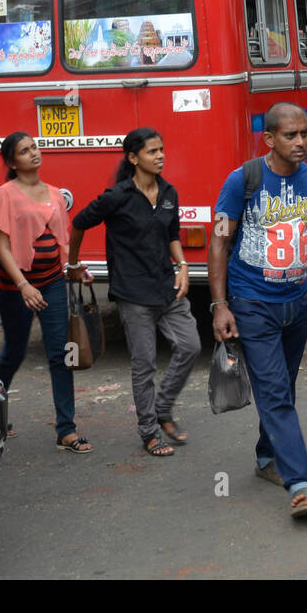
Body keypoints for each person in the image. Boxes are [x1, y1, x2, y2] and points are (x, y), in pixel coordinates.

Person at [209, 102, 307, 518]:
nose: (301, 142)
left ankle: (264, 456)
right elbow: (219, 241)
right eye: (290, 135)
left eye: (305, 133)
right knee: (273, 392)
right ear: (269, 139)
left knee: (283, 388)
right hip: (252, 302)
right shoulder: (243, 181)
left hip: (298, 302)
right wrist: (219, 305)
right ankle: (300, 483)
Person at [68, 127, 198, 457]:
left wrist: (182, 266)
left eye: (161, 150)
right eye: (152, 151)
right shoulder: (117, 197)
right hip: (132, 293)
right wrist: (72, 264)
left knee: (191, 346)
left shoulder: (169, 192)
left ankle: (163, 407)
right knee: (144, 365)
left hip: (166, 287)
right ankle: (150, 431)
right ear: (133, 158)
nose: (160, 156)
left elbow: (172, 234)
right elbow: (80, 222)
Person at [0, 132, 91, 453]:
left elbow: (60, 240)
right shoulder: (5, 194)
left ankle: (66, 429)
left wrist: (73, 266)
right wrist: (23, 285)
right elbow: (2, 247)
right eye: (24, 151)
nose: (33, 153)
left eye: (34, 147)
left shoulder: (54, 194)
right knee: (14, 353)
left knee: (60, 354)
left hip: (52, 282)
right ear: (11, 162)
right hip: (14, 287)